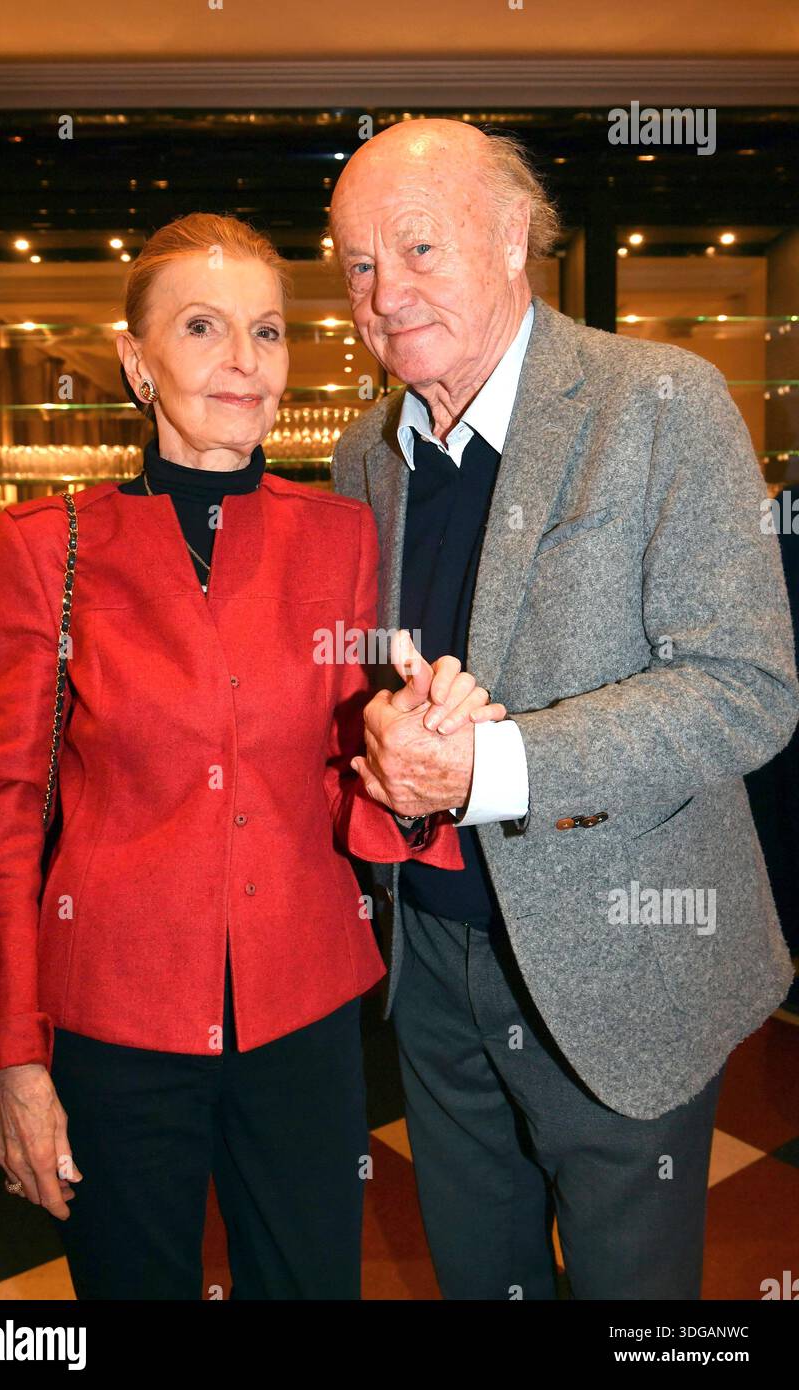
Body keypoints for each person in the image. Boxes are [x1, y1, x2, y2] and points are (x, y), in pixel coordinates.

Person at [0, 211, 503, 1300]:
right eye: (202, 327)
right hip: (114, 1014)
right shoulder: (48, 546)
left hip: (304, 1011)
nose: (243, 362)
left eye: (268, 330)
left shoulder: (341, 536)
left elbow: (350, 786)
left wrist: (410, 773)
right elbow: (5, 816)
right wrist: (13, 1053)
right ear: (136, 362)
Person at [330, 119, 799, 1300]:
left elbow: (745, 688)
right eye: (358, 265)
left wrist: (488, 770)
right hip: (433, 965)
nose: (385, 293)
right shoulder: (364, 452)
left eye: (417, 248)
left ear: (511, 238)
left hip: (624, 962)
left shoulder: (662, 402)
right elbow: (382, 673)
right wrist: (385, 741)